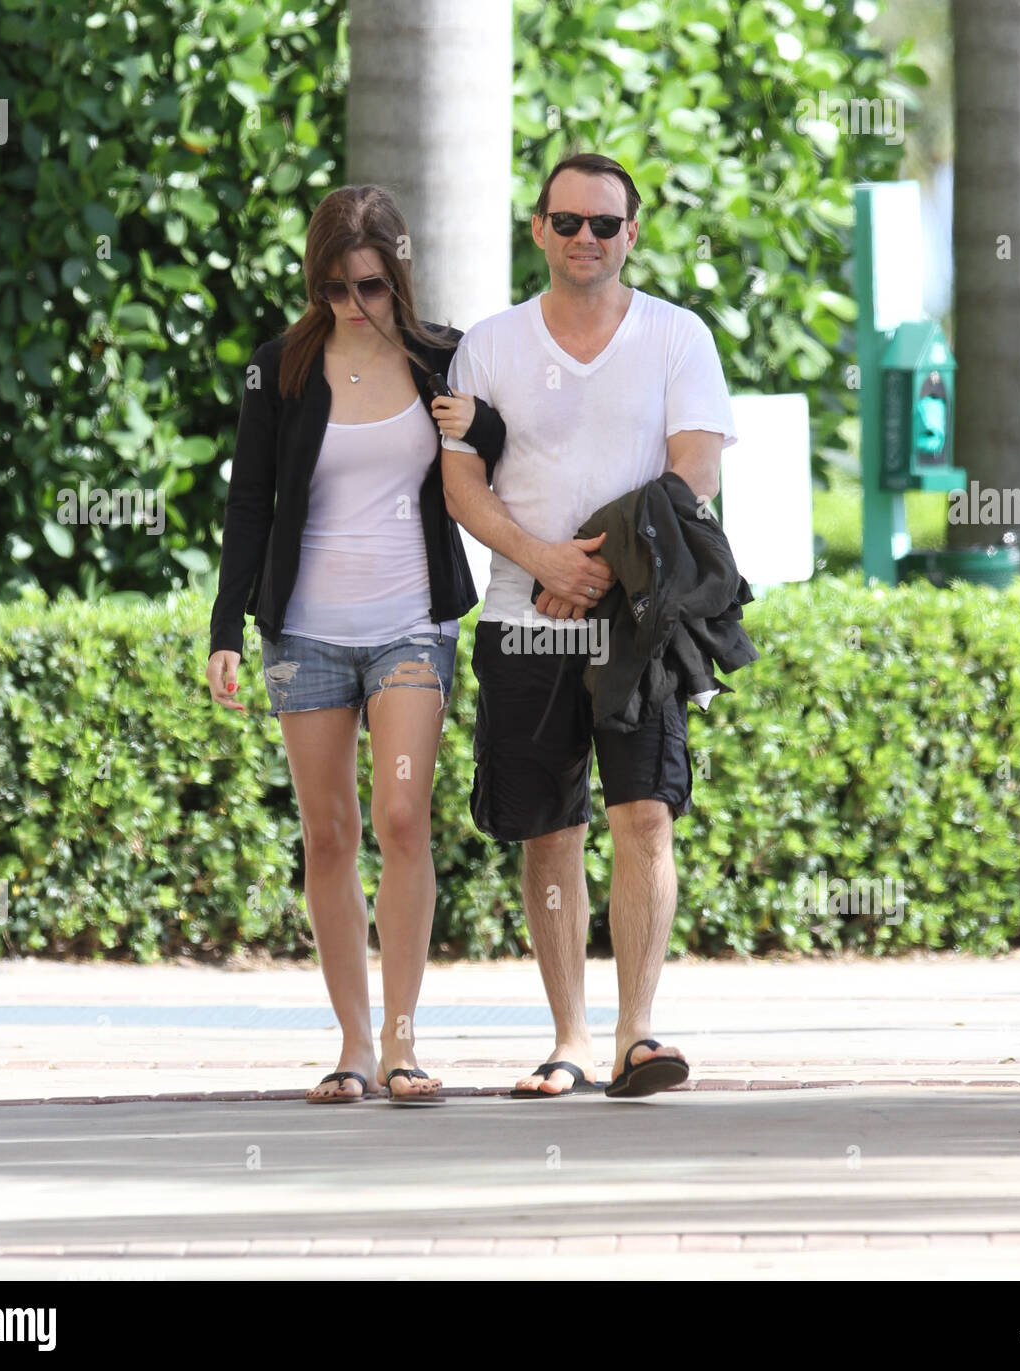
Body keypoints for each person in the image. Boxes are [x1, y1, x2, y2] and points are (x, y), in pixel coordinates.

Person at [440, 153, 737, 1098]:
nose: (585, 238)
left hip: (637, 622)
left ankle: (636, 1034)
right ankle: (568, 1037)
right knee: (550, 830)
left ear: (631, 235)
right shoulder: (487, 345)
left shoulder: (677, 337)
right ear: (539, 231)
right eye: (566, 222)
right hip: (523, 617)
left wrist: (596, 565)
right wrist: (542, 563)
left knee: (645, 814)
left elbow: (694, 472)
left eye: (604, 225)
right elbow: (461, 484)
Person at [206, 185, 506, 1103]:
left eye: (369, 285)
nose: (351, 304)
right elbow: (249, 502)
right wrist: (225, 631)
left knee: (403, 818)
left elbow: (506, 455)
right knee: (329, 836)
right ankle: (353, 1042)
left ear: (397, 276)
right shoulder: (281, 369)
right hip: (305, 632)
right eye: (333, 286)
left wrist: (481, 426)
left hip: (411, 621)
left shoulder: (444, 359)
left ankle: (406, 1040)